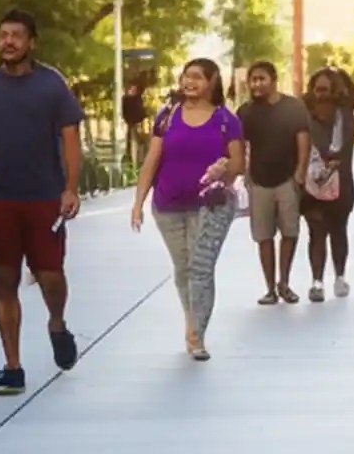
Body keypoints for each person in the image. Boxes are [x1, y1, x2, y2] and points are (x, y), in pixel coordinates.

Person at [0, 9, 85, 396]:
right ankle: (13, 367)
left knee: (50, 275)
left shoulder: (51, 85)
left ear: (31, 42)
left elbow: (69, 138)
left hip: (44, 196)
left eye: (16, 35)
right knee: (3, 279)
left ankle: (57, 323)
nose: (8, 42)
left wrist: (71, 187)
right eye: (3, 35)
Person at [130, 59, 244, 360]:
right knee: (184, 270)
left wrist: (223, 167)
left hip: (208, 206)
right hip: (167, 205)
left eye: (197, 77)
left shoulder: (225, 120)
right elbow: (151, 161)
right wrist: (138, 202)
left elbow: (239, 164)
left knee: (201, 268)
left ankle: (198, 335)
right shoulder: (167, 117)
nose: (189, 81)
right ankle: (191, 321)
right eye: (186, 76)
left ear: (212, 82)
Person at [236, 61, 310, 305]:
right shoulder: (245, 112)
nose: (256, 84)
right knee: (263, 236)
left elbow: (303, 138)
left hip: (287, 179)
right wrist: (243, 173)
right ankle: (269, 288)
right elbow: (239, 146)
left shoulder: (293, 107)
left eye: (261, 79)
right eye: (253, 80)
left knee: (290, 232)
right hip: (258, 181)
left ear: (273, 79)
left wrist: (300, 171)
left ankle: (284, 283)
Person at [300, 68, 354, 302]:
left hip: (340, 182)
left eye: (325, 89)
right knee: (316, 231)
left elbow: (343, 146)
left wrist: (331, 162)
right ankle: (316, 282)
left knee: (338, 229)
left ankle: (340, 276)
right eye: (317, 89)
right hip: (312, 182)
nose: (320, 94)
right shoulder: (304, 115)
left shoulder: (345, 116)